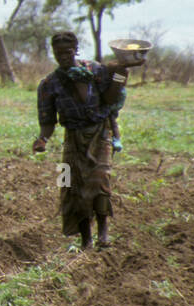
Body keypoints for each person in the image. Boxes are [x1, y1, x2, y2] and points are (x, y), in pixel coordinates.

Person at [33, 31, 127, 250]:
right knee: (72, 186)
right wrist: (42, 139)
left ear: (75, 50)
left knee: (100, 180)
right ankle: (86, 239)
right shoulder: (49, 84)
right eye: (58, 53)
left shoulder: (96, 70)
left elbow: (112, 98)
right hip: (73, 138)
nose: (63, 57)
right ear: (53, 53)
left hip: (100, 133)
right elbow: (47, 120)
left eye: (67, 52)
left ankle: (103, 234)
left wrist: (121, 73)